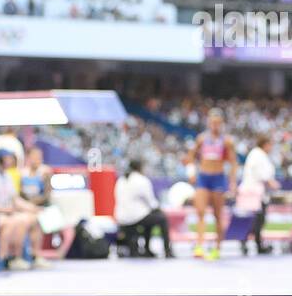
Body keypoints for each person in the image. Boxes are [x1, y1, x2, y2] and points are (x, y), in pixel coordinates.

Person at [0, 149, 47, 271]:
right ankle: (12, 258)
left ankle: (35, 256)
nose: (11, 161)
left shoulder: (7, 175)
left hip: (7, 211)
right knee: (20, 221)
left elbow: (15, 199)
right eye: (8, 158)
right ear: (0, 159)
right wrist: (2, 209)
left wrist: (34, 208)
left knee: (34, 219)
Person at [184, 108, 237, 261]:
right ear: (208, 123)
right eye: (212, 122)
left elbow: (233, 163)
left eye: (218, 123)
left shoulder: (227, 141)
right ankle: (199, 246)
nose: (215, 125)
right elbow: (191, 156)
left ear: (221, 124)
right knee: (200, 212)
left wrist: (232, 182)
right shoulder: (201, 138)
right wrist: (192, 172)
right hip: (203, 177)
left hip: (218, 178)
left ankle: (217, 248)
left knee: (217, 215)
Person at [114, 159, 171, 258]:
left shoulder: (120, 180)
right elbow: (152, 203)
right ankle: (167, 251)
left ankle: (147, 249)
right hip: (135, 218)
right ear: (140, 167)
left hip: (121, 217)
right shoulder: (142, 180)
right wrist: (159, 209)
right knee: (161, 218)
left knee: (149, 216)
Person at [240, 134, 278, 254]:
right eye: (270, 145)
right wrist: (271, 182)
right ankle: (249, 242)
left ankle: (255, 242)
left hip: (257, 192)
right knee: (256, 220)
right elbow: (261, 173)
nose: (271, 147)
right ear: (265, 144)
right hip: (253, 192)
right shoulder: (257, 154)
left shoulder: (260, 155)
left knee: (258, 220)